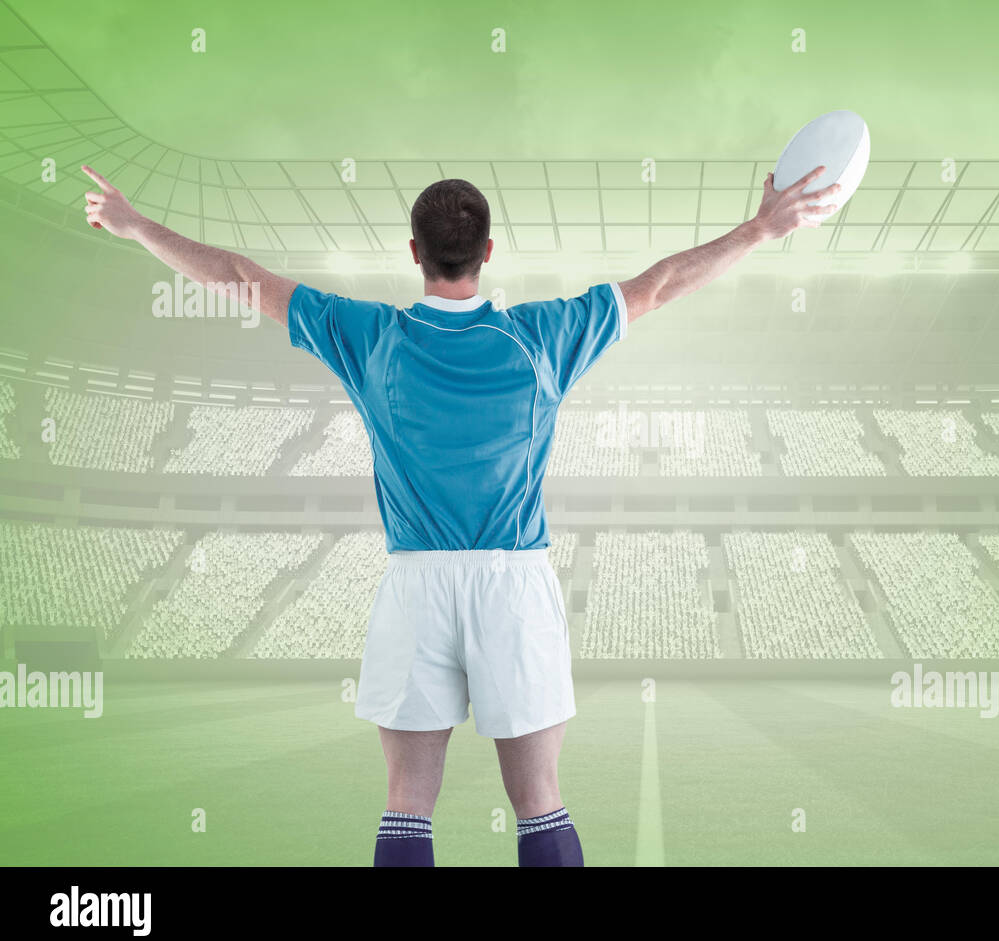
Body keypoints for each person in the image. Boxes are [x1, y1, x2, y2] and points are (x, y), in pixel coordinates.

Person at [81, 161, 839, 866]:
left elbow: (239, 278)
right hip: (514, 584)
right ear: (489, 251)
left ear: (415, 252)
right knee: (540, 804)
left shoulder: (371, 338)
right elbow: (662, 284)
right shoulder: (541, 337)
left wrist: (135, 224)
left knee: (408, 806)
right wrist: (762, 229)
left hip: (416, 585)